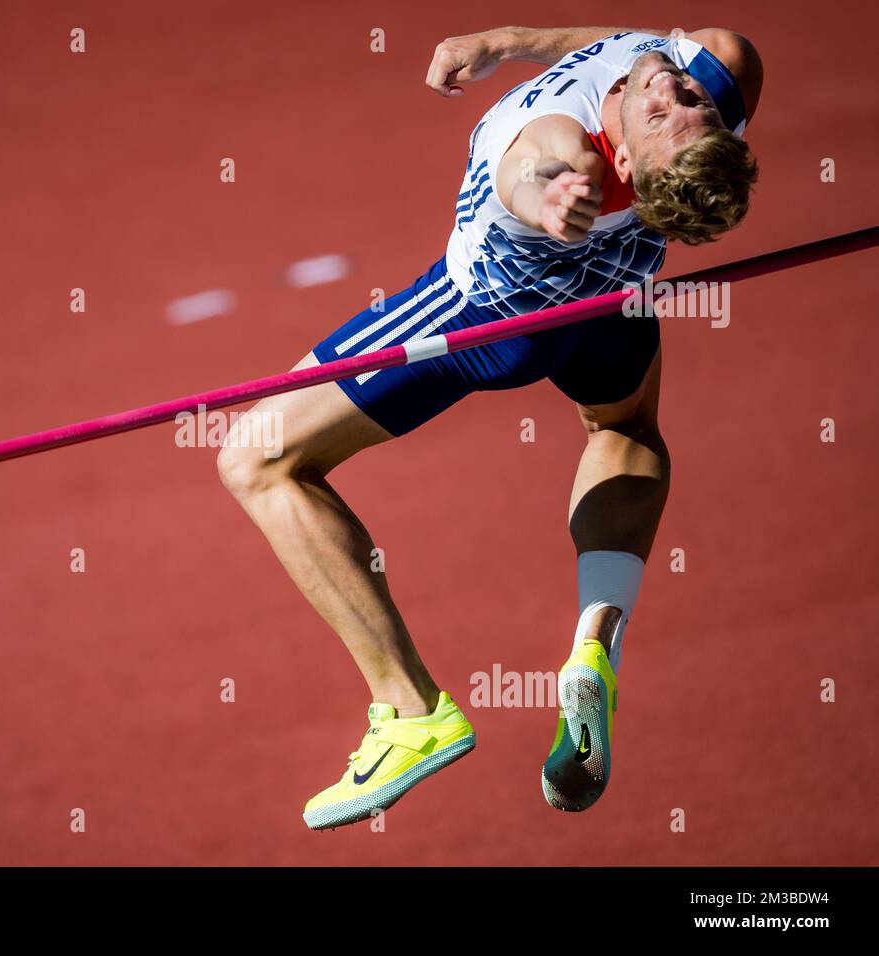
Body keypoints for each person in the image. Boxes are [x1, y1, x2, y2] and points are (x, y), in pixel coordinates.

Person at [216, 25, 762, 829]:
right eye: (685, 100)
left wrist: (544, 196)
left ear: (620, 166)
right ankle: (595, 645)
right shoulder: (721, 68)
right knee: (628, 429)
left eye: (666, 111)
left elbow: (532, 163)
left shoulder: (569, 152)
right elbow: (629, 51)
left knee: (256, 459)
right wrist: (509, 40)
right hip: (609, 310)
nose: (670, 88)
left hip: (489, 319)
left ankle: (410, 712)